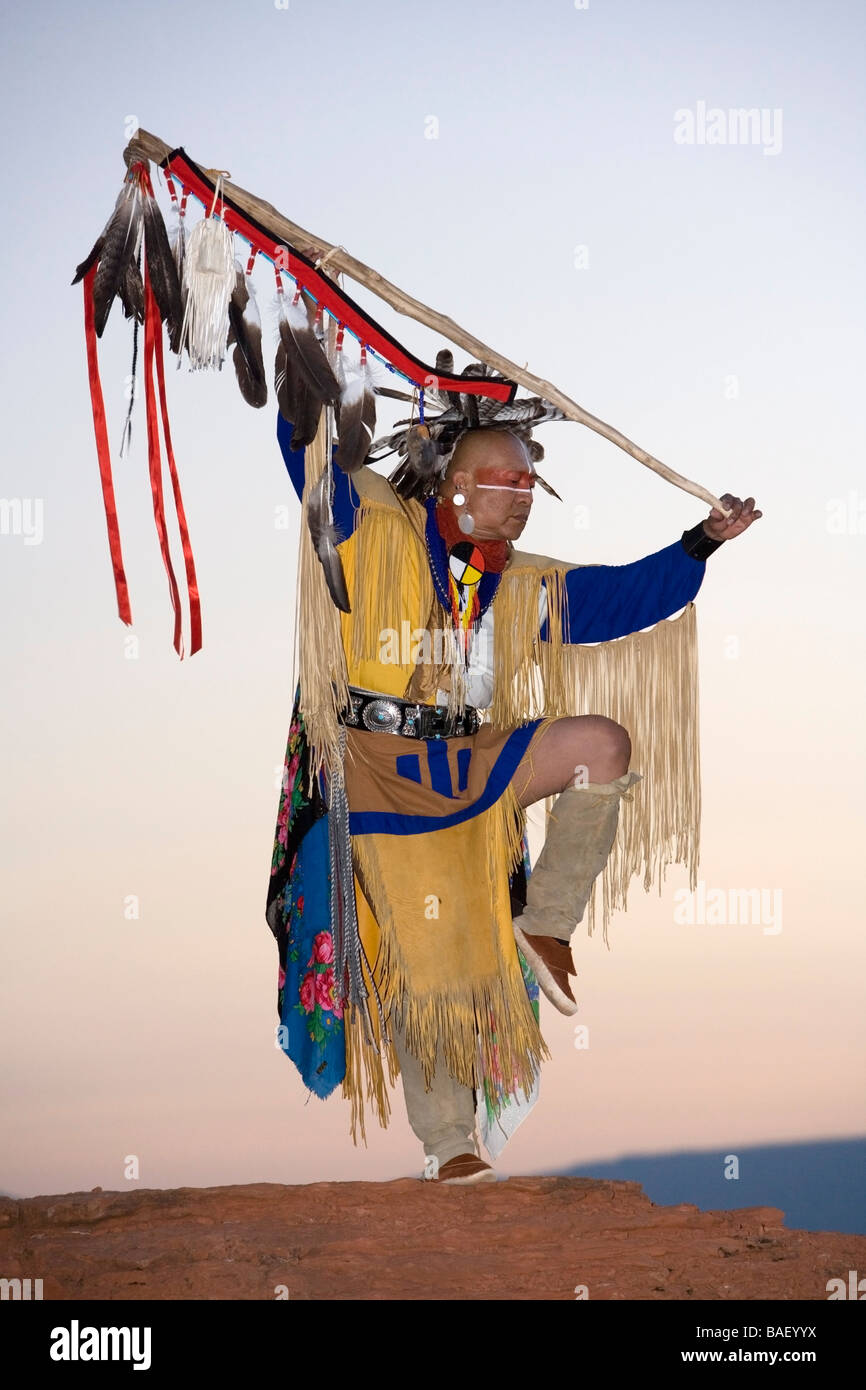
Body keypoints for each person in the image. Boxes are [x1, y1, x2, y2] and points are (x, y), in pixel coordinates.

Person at [266, 408, 762, 1185]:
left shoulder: (513, 580)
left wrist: (703, 540)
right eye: (511, 479)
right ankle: (449, 1145)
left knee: (601, 745)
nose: (527, 494)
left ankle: (547, 927)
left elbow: (619, 598)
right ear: (457, 484)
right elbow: (312, 467)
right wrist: (315, 377)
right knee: (427, 957)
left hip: (468, 758)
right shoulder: (376, 529)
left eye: (533, 481)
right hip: (376, 766)